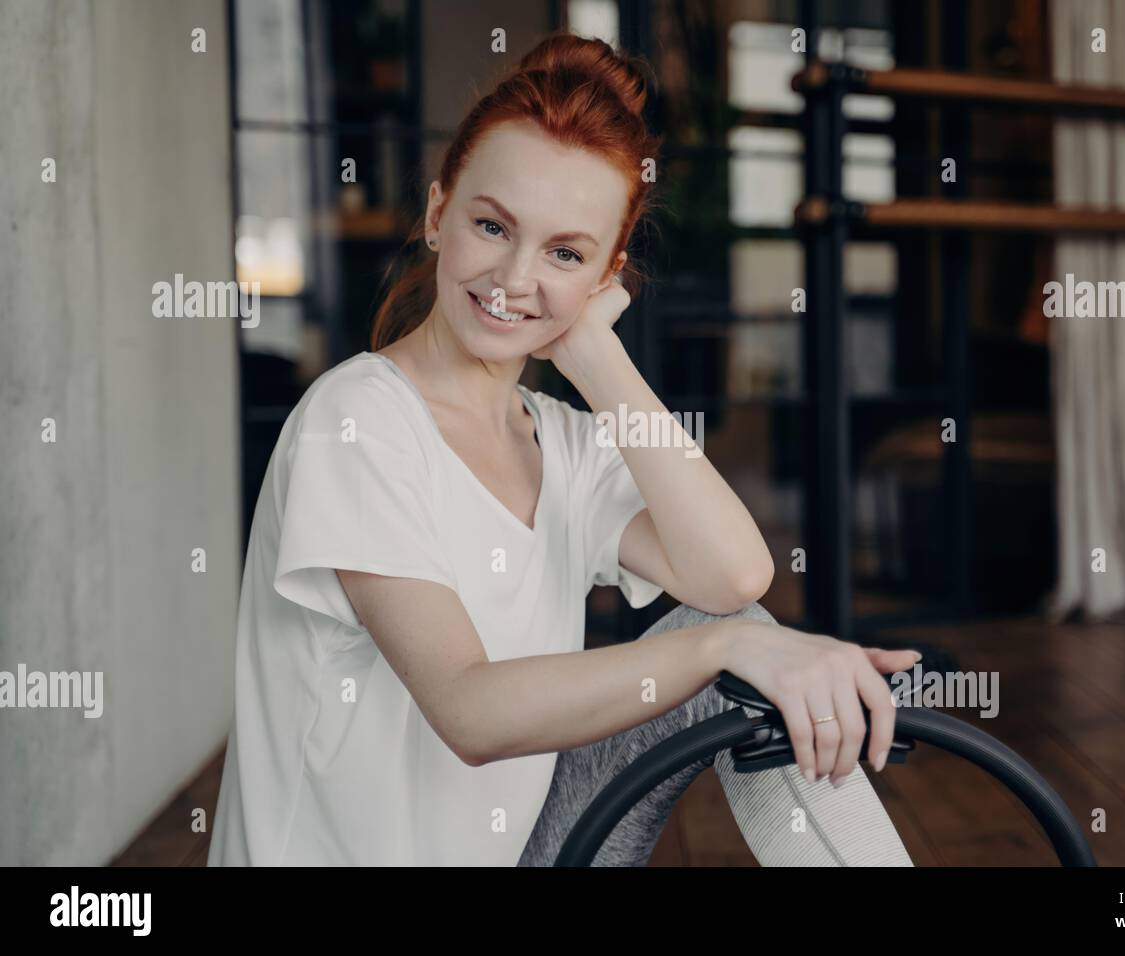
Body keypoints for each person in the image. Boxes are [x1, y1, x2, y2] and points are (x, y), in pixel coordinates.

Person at [208, 32, 916, 867]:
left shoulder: (562, 440)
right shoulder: (356, 421)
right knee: (734, 645)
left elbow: (732, 576)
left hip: (522, 851)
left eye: (565, 254)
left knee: (740, 637)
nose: (514, 279)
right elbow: (468, 710)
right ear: (438, 215)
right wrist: (731, 646)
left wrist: (595, 357)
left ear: (606, 275)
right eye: (491, 225)